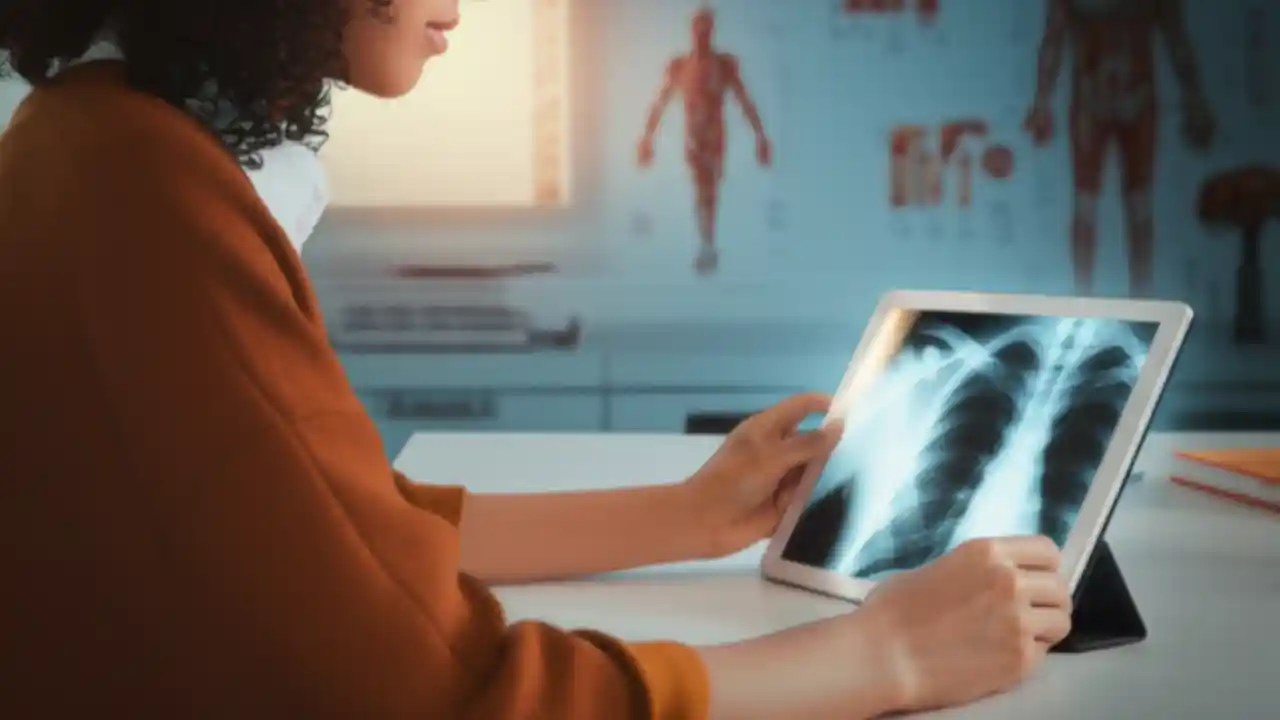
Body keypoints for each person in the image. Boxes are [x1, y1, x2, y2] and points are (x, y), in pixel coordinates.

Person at [0, 1, 1072, 717]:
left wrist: (687, 516)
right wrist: (884, 656)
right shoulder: (152, 201)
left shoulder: (88, 140)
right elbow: (437, 692)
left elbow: (343, 523)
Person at [1023, 0, 1215, 297]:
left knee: (1139, 204)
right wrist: (1041, 101)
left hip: (1136, 98)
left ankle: (1141, 299)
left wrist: (1195, 99)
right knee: (1086, 204)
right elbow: (1054, 37)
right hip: (1091, 98)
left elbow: (1176, 38)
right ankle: (1082, 299)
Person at [637, 7, 771, 277]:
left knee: (710, 189)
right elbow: (660, 102)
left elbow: (744, 100)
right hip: (694, 135)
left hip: (714, 134)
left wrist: (760, 136)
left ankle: (707, 243)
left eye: (706, 30)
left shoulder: (723, 66)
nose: (702, 36)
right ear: (692, 32)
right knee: (702, 188)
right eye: (698, 30)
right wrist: (647, 137)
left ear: (711, 32)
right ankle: (705, 244)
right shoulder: (680, 67)